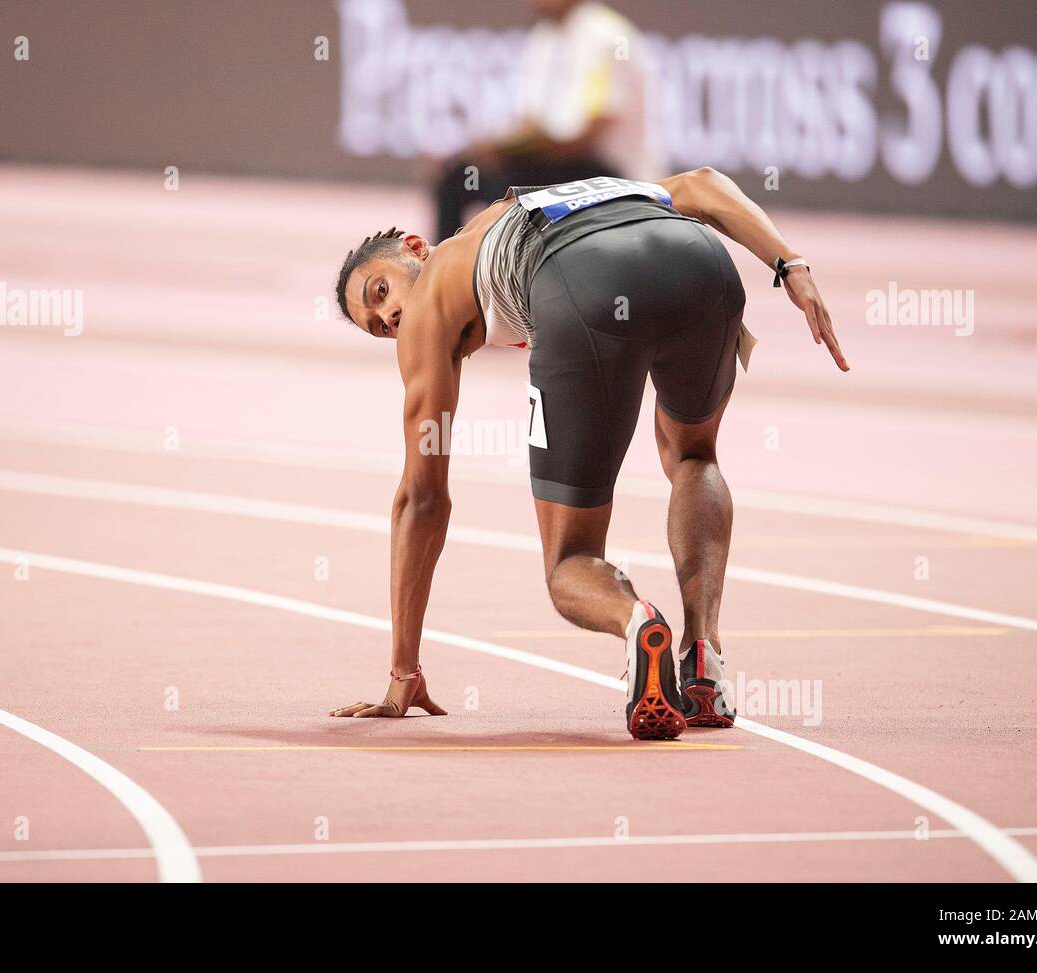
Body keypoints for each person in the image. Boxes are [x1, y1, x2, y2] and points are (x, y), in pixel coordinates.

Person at [328, 170, 848, 739]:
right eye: (378, 328)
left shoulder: (431, 297)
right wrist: (789, 265)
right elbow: (700, 185)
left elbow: (421, 497)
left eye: (380, 292)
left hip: (579, 282)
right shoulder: (549, 199)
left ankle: (636, 619)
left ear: (415, 248)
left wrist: (404, 669)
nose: (391, 320)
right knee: (694, 456)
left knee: (569, 564)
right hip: (701, 262)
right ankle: (704, 659)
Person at [431, 0, 661, 241]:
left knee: (505, 186)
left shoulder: (608, 37)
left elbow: (583, 138)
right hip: (555, 163)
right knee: (460, 175)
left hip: (610, 176)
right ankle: (442, 270)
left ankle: (512, 267)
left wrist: (499, 150)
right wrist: (477, 152)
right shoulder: (544, 37)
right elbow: (532, 122)